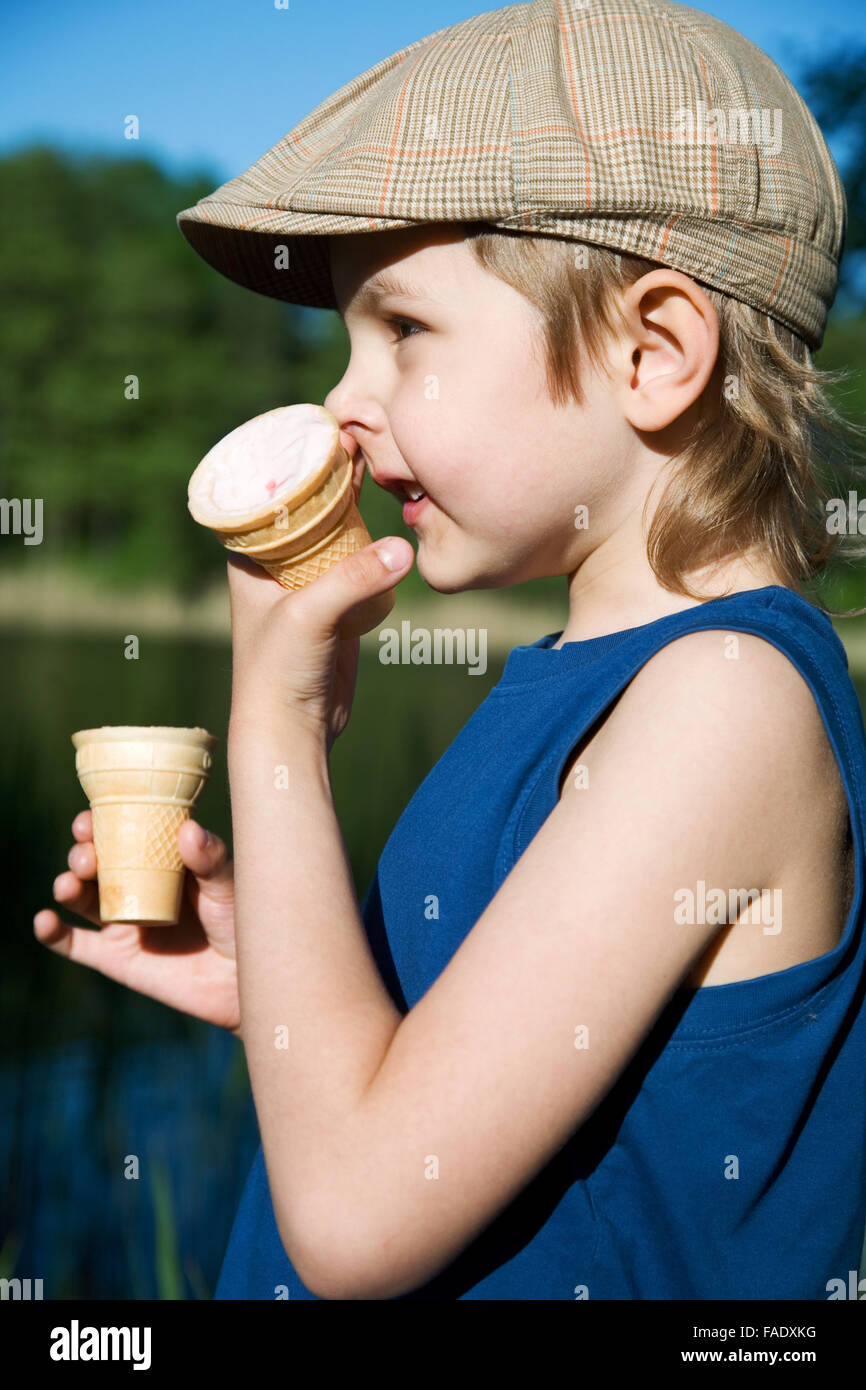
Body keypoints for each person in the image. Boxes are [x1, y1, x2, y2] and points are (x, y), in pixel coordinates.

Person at [34, 0, 866, 1299]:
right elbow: (456, 1085)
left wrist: (277, 725)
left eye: (404, 332)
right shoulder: (579, 673)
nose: (338, 404)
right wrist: (288, 987)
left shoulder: (724, 700)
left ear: (651, 352)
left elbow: (363, 1218)